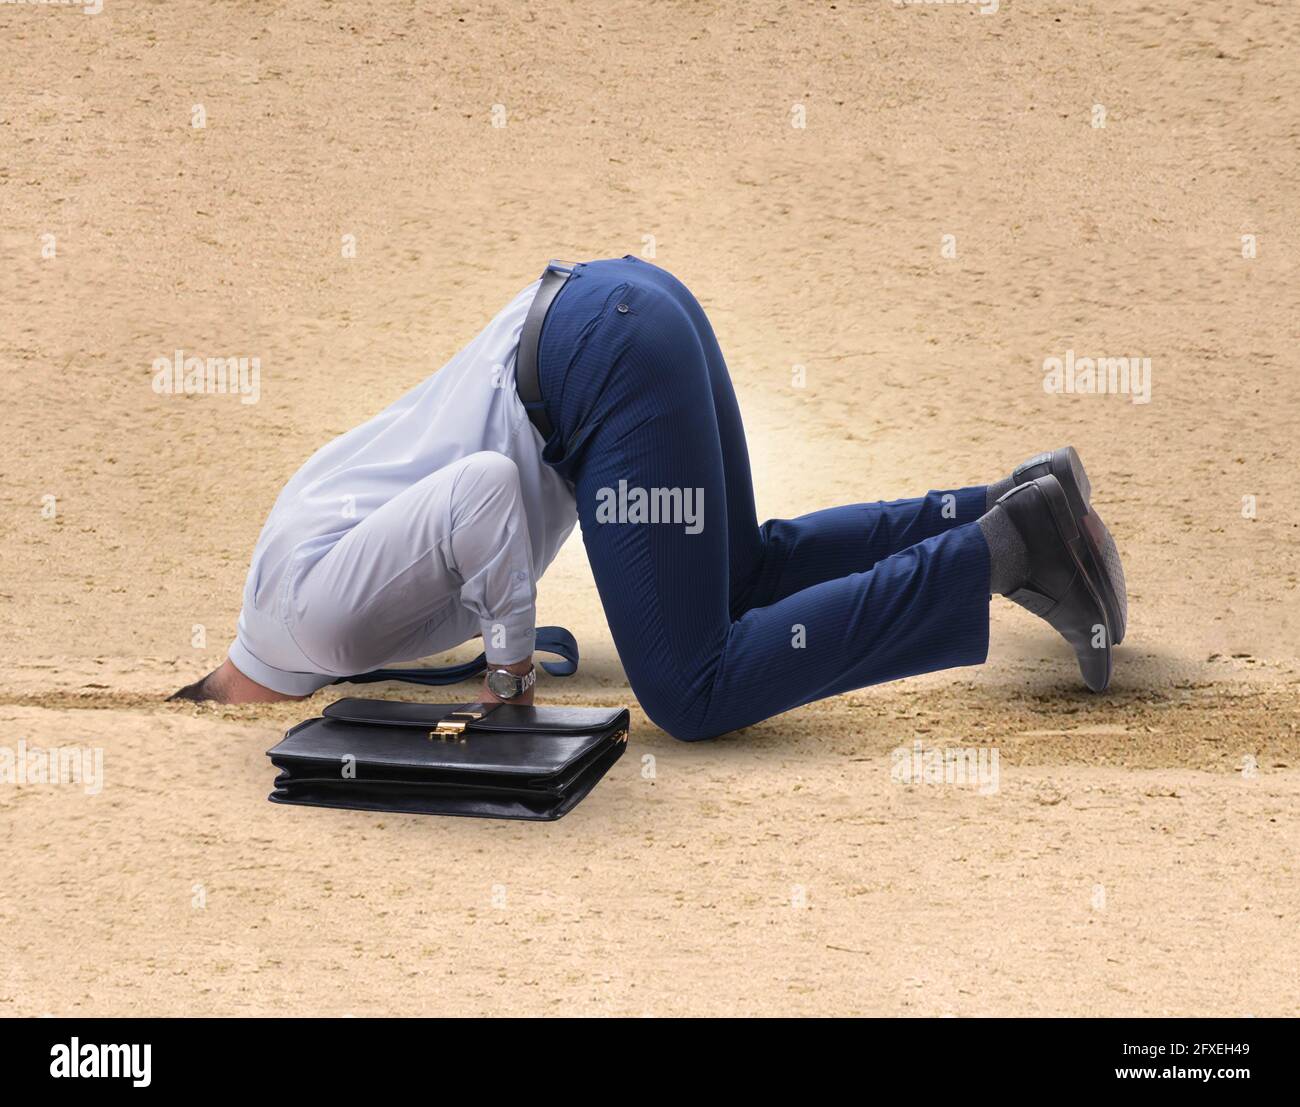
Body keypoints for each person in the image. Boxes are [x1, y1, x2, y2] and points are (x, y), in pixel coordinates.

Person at [172, 256, 1127, 742]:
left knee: (689, 686)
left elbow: (484, 492)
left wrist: (509, 678)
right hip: (617, 308)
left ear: (233, 708)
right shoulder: (284, 593)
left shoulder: (315, 630)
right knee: (737, 577)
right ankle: (1014, 502)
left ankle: (1006, 549)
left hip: (600, 364)